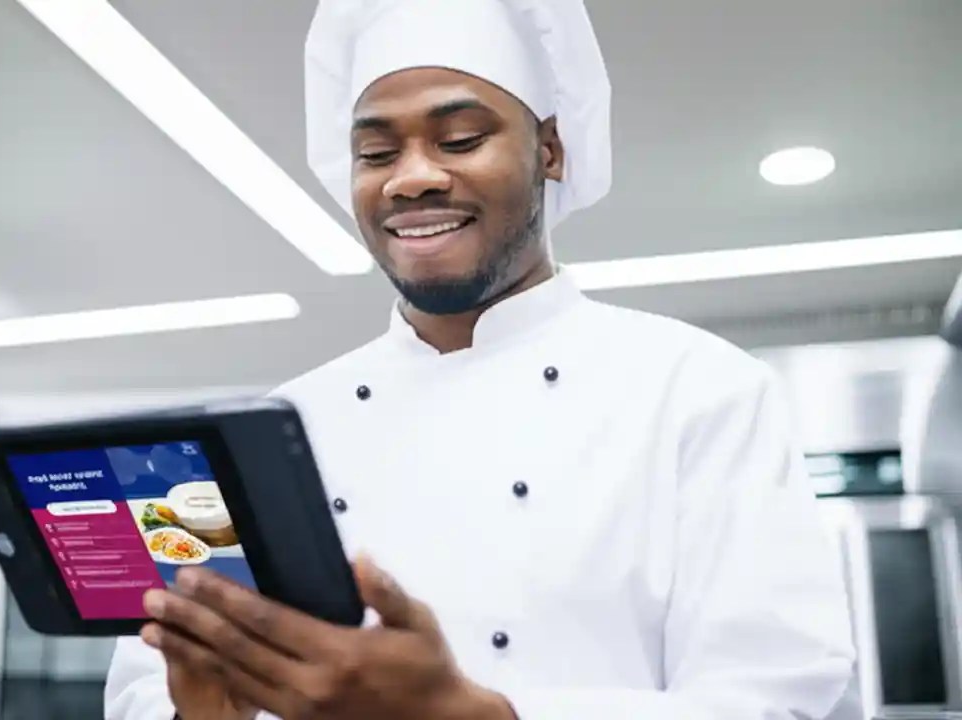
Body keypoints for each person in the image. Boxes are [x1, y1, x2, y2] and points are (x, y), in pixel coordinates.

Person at [105, 0, 860, 718]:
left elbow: (786, 697)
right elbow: (145, 682)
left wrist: (484, 716)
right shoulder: (269, 425)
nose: (412, 177)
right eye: (375, 152)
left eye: (460, 139)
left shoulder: (701, 390)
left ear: (550, 150)